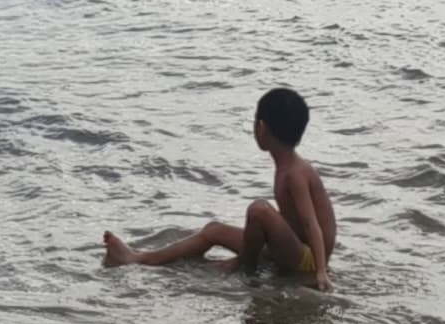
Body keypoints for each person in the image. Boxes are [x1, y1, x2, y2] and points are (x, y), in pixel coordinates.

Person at [103, 87, 335, 290]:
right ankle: (141, 259)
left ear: (260, 127)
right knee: (214, 230)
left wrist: (320, 272)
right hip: (294, 250)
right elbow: (294, 221)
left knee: (259, 210)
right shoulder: (287, 166)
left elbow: (310, 223)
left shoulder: (294, 173)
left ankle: (245, 266)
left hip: (308, 259)